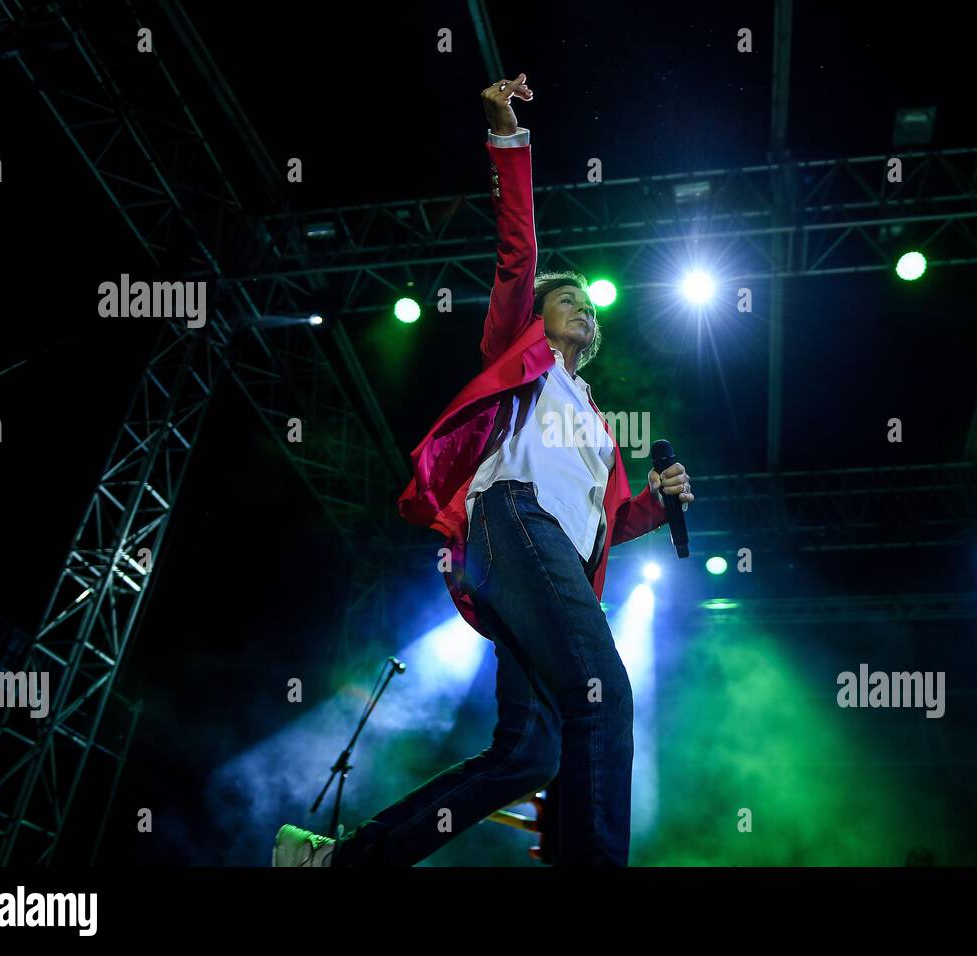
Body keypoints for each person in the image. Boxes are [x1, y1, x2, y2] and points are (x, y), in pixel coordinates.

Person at [273, 72, 694, 868]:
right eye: (568, 300)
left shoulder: (598, 426)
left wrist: (651, 503)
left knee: (531, 757)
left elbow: (603, 524)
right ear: (540, 315)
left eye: (590, 308)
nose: (583, 310)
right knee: (604, 696)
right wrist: (509, 136)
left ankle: (336, 862)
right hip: (510, 526)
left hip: (551, 561)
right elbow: (518, 250)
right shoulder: (519, 354)